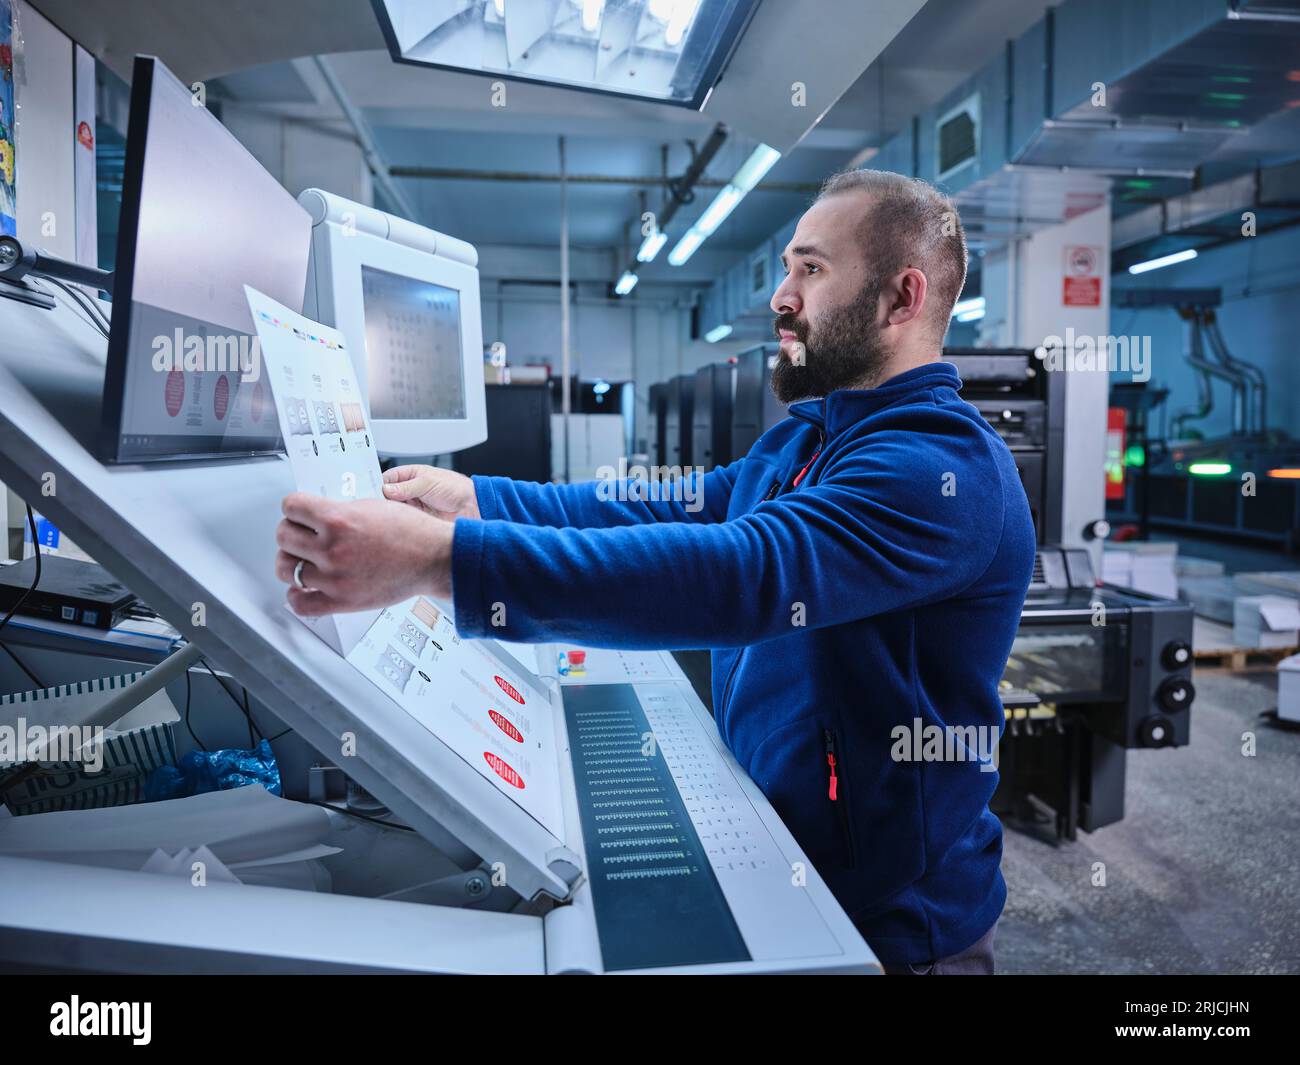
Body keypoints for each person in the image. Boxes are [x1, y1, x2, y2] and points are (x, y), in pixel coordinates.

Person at [274, 169, 1036, 974]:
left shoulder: (939, 470)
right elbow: (669, 508)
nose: (780, 296)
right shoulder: (807, 439)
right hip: (793, 853)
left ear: (900, 298)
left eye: (811, 269)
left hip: (893, 926)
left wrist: (442, 563)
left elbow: (744, 573)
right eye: (787, 268)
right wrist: (480, 501)